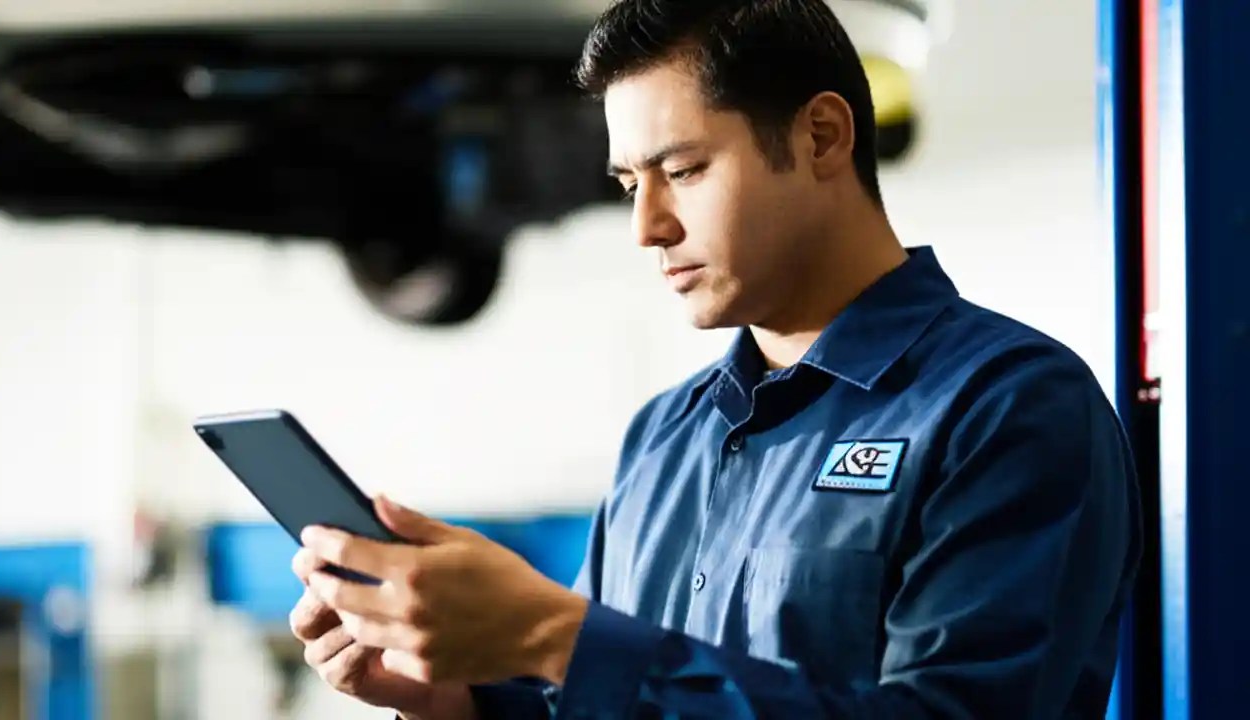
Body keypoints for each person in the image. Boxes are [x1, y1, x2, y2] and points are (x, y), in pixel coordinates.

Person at [288, 1, 1143, 718]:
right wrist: (461, 702)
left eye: (684, 170)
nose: (646, 227)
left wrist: (550, 635)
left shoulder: (1008, 409)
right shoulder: (664, 438)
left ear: (821, 136)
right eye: (631, 184)